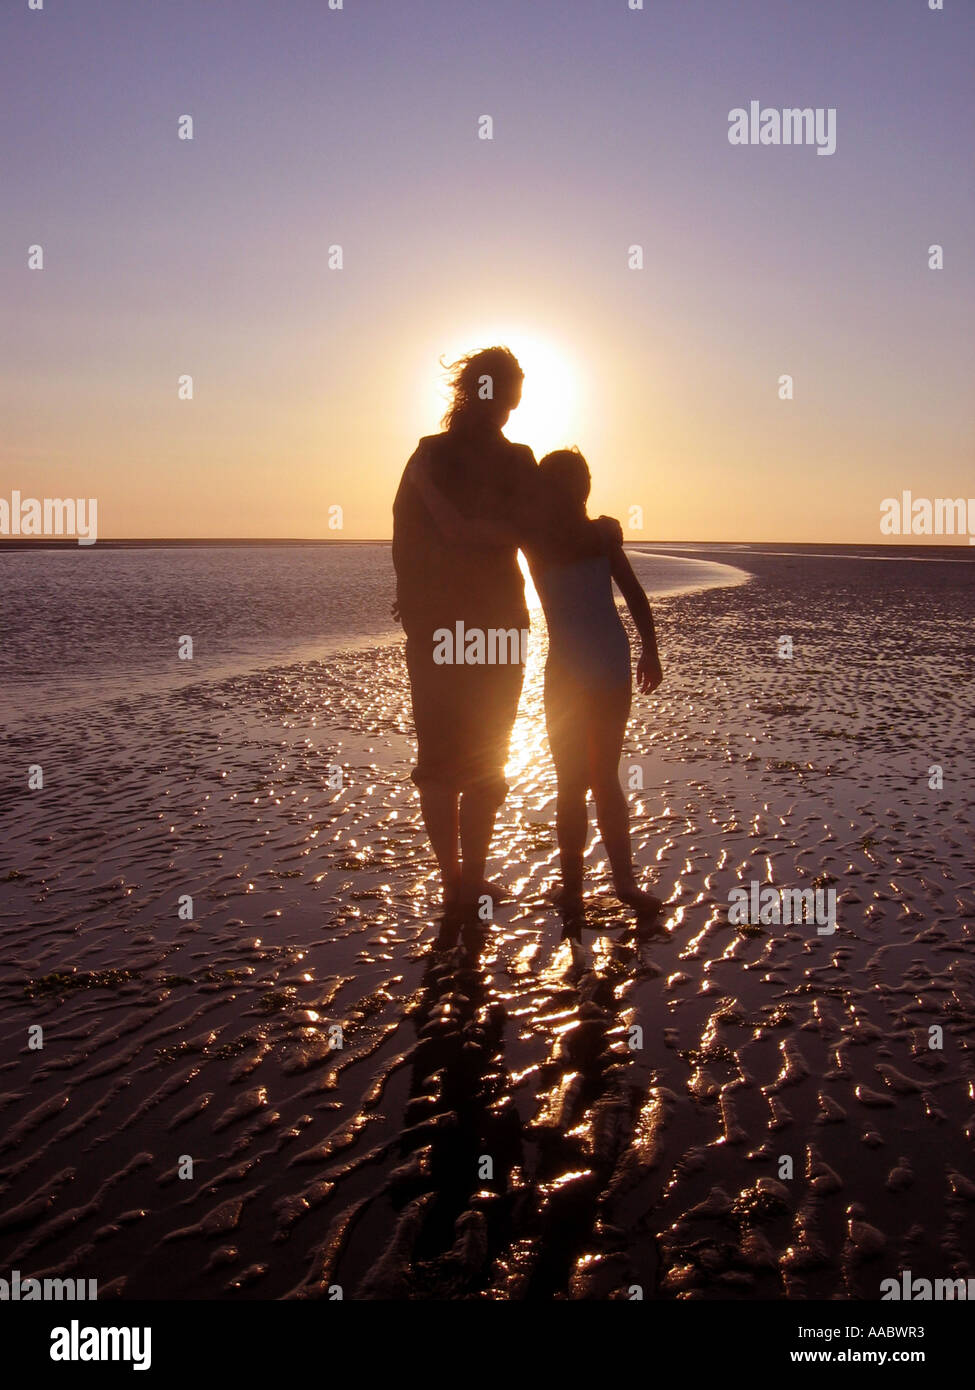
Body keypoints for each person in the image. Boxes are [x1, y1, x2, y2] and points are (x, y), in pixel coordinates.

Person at [407, 444, 665, 920]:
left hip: (570, 671)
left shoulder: (538, 538)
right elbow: (637, 598)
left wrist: (425, 485)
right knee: (602, 778)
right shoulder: (598, 534)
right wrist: (650, 651)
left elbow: (458, 530)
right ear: (584, 488)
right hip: (608, 663)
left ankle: (578, 889)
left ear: (547, 490)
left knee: (574, 784)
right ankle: (619, 884)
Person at [392, 347, 537, 917]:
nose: (508, 407)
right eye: (505, 395)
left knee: (480, 756)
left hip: (483, 625)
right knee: (449, 758)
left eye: (514, 398)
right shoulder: (431, 455)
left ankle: (465, 878)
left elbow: (537, 527)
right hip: (454, 628)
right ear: (484, 391)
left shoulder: (499, 458)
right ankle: (458, 878)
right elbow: (413, 535)